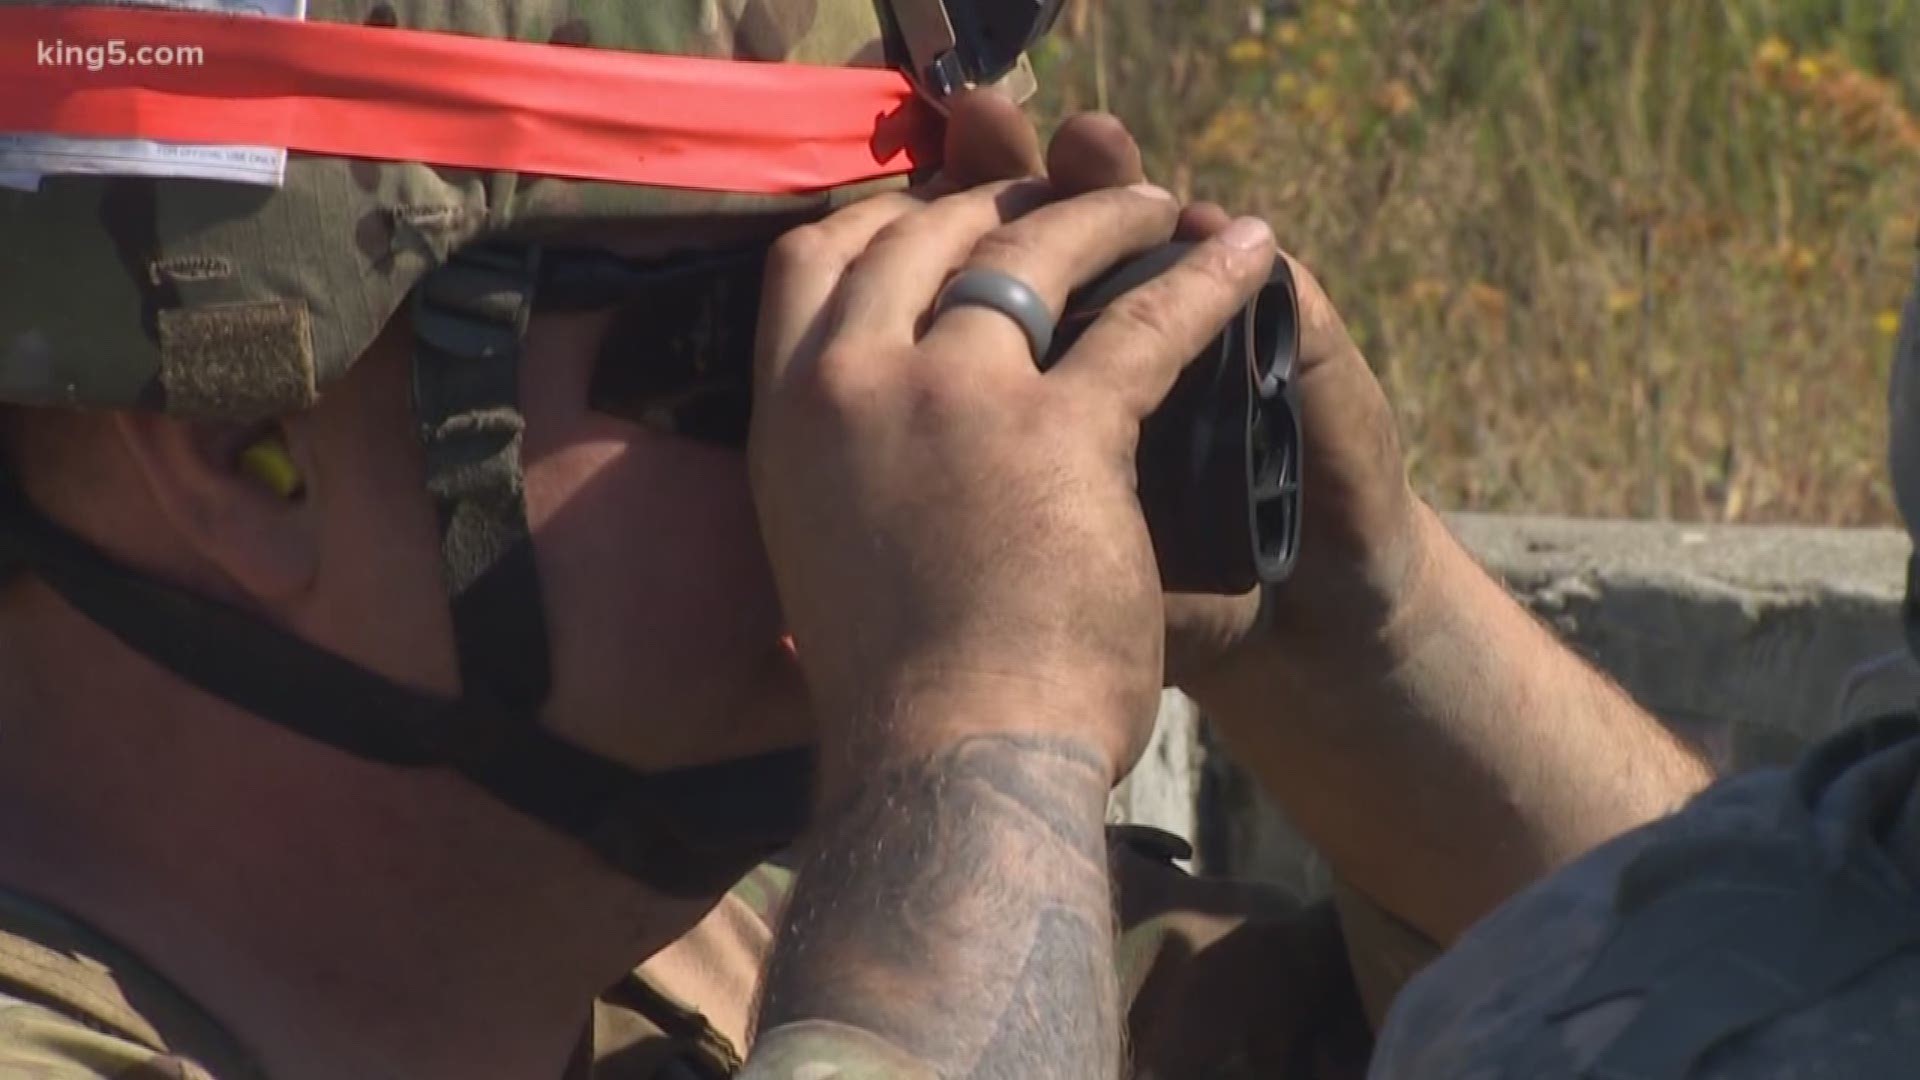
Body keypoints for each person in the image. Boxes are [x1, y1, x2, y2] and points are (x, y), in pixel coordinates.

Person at [0, 1, 1711, 1077]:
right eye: (766, 333)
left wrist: (1369, 638)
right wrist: (985, 713)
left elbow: (1744, 1028)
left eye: (931, 268)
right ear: (245, 441)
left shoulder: (755, 950)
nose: (914, 418)